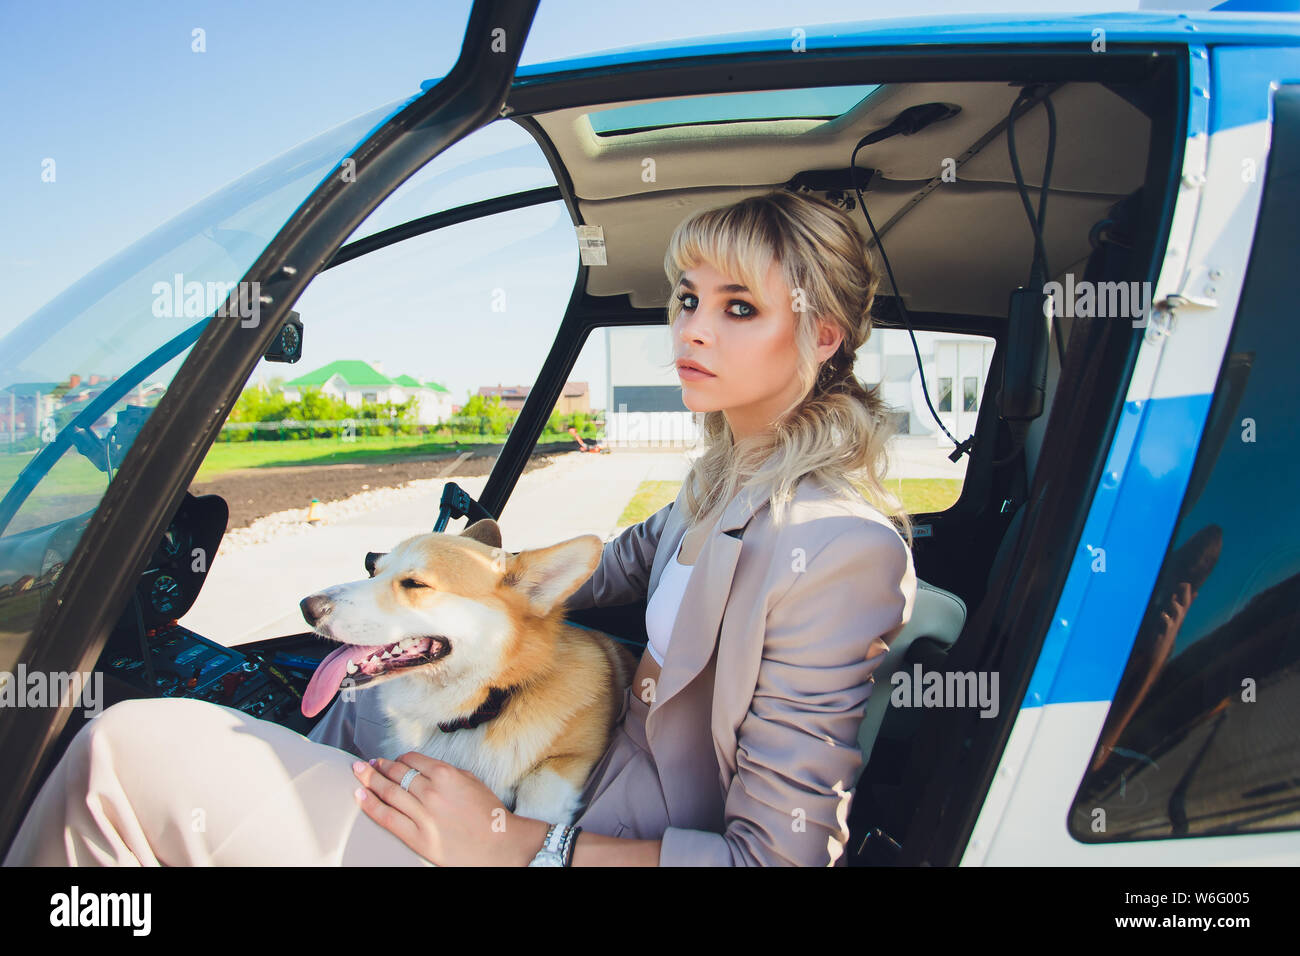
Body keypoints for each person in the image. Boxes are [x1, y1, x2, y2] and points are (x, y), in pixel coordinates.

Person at [3, 189, 916, 867]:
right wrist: (467, 568)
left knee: (121, 756)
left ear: (824, 337)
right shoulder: (721, 484)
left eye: (739, 308)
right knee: (341, 693)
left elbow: (780, 861)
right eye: (687, 297)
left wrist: (522, 843)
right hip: (546, 774)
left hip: (589, 829)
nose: (693, 330)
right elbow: (590, 573)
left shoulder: (839, 545)